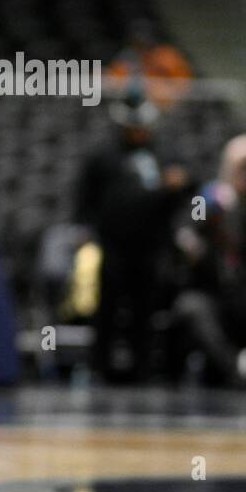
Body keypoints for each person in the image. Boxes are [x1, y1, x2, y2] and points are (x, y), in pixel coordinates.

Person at [74, 95, 190, 382]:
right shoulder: (103, 156)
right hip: (113, 244)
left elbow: (185, 193)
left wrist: (179, 185)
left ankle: (142, 370)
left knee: (144, 307)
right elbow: (85, 200)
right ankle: (100, 367)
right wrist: (88, 232)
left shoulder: (165, 154)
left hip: (151, 246)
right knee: (108, 307)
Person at [172, 134, 246, 385]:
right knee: (191, 307)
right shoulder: (210, 197)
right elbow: (185, 231)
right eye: (243, 168)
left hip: (245, 296)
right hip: (214, 294)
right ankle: (235, 373)